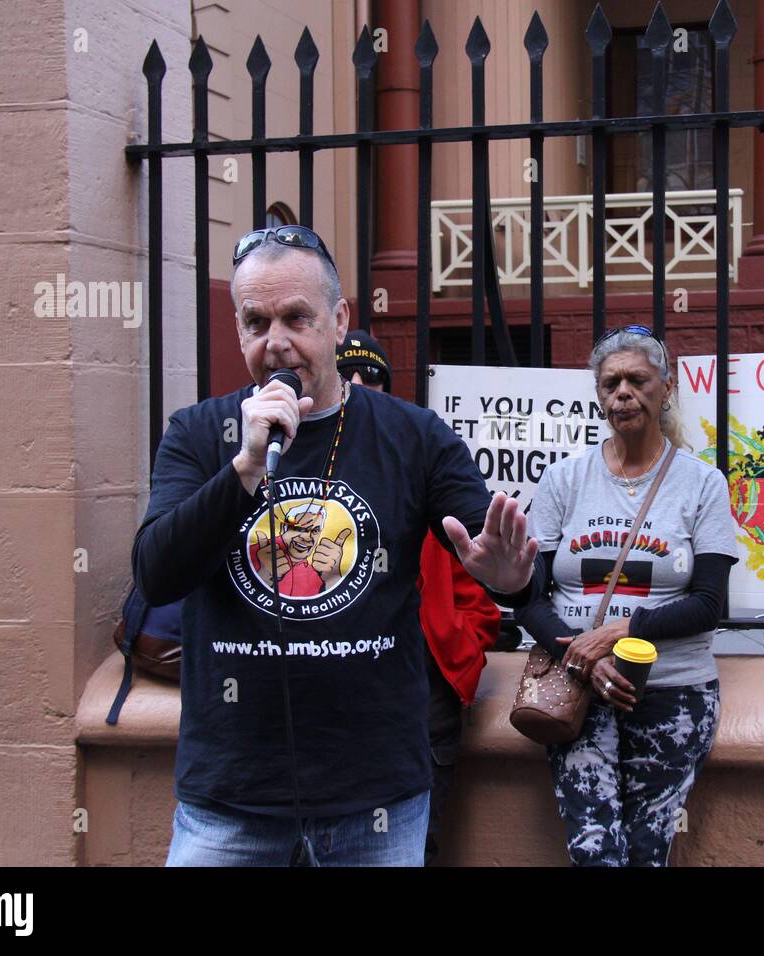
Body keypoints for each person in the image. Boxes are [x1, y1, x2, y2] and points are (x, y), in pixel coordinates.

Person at [133, 225, 537, 867]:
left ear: (340, 320)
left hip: (374, 801)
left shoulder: (415, 436)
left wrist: (509, 574)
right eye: (256, 322)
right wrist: (242, 469)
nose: (277, 343)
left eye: (297, 318)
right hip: (231, 800)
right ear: (238, 330)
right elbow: (156, 573)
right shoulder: (198, 432)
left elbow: (491, 553)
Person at [514, 326, 738, 866]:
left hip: (671, 694)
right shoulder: (564, 479)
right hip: (576, 690)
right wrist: (582, 658)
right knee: (595, 850)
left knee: (645, 851)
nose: (623, 393)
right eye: (611, 382)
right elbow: (528, 595)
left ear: (666, 388)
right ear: (598, 393)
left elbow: (711, 605)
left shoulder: (703, 484)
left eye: (637, 379)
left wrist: (616, 633)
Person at [335, 332, 502, 866]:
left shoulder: (418, 467)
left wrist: (459, 648)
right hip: (338, 693)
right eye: (347, 373)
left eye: (374, 376)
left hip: (425, 694)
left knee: (417, 846)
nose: (361, 385)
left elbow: (477, 581)